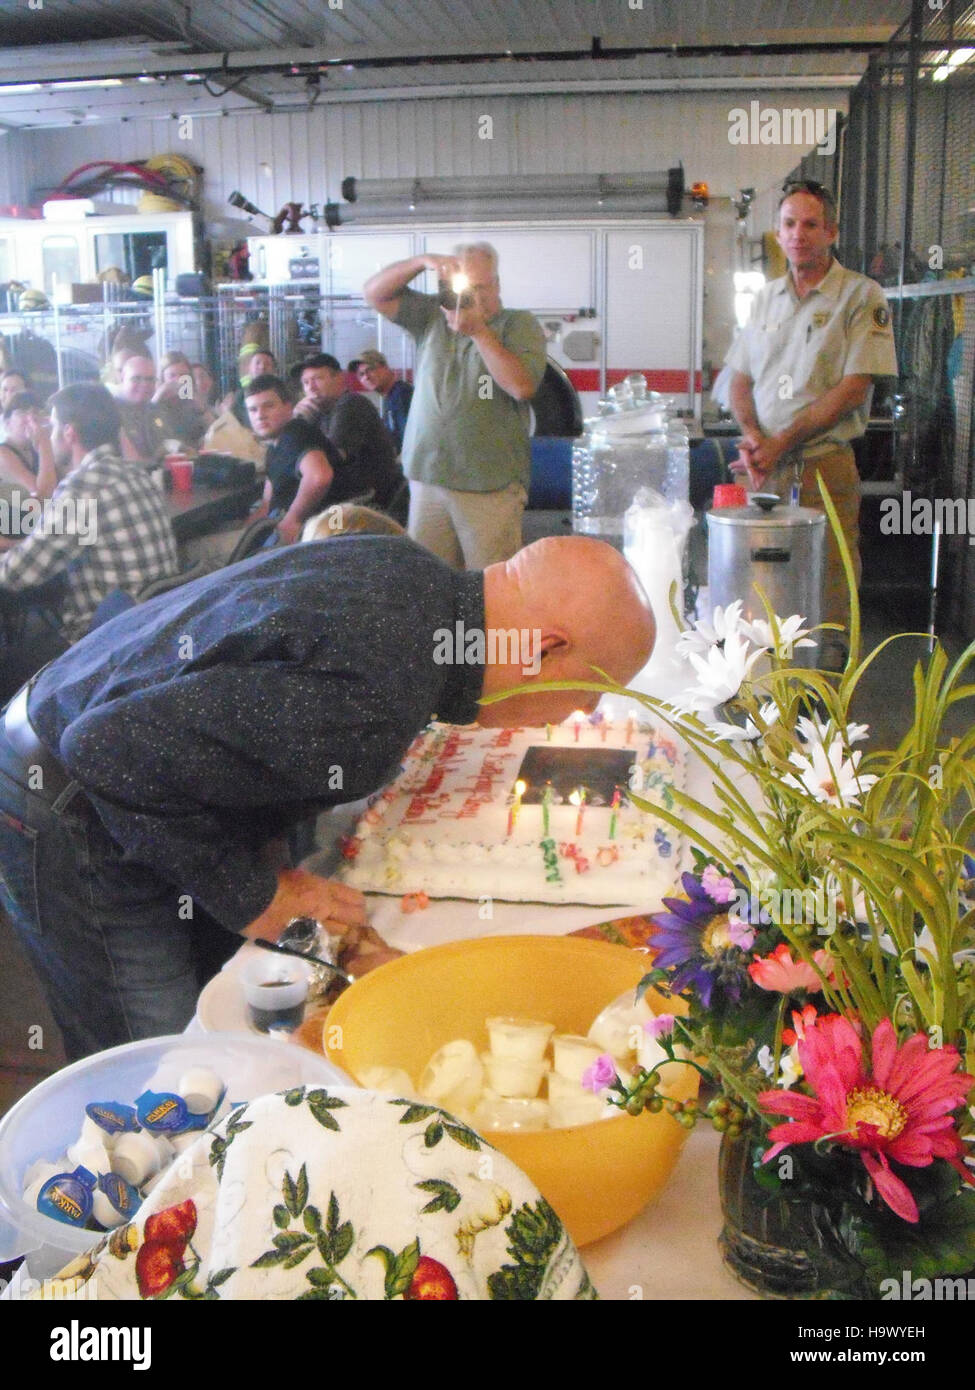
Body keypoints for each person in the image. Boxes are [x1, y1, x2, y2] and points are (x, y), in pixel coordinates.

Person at [0, 532, 655, 1060]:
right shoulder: (376, 695)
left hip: (97, 735)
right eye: (591, 690)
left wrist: (263, 876)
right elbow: (105, 748)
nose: (578, 714)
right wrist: (252, 894)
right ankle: (116, 1214)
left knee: (223, 1007)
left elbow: (234, 729)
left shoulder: (412, 573)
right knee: (169, 1061)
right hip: (64, 795)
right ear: (544, 649)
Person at [725, 182, 898, 667]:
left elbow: (854, 387)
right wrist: (755, 437)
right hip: (761, 469)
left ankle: (825, 705)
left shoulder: (861, 296)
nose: (798, 234)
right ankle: (759, 695)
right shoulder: (764, 300)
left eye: (810, 224)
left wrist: (781, 441)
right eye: (788, 224)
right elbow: (738, 378)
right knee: (755, 585)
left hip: (823, 469)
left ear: (831, 232)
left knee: (828, 588)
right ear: (778, 234)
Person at [364, 243, 547, 570]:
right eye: (464, 286)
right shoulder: (435, 316)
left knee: (489, 585)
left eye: (481, 287)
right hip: (427, 475)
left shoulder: (518, 325)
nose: (472, 296)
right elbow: (375, 293)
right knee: (429, 580)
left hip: (489, 483)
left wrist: (479, 332)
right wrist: (421, 261)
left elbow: (521, 387)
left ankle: (483, 626)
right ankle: (443, 626)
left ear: (497, 284)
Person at [0, 383, 179, 695]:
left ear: (70, 432)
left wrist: (12, 552)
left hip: (104, 642)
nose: (50, 435)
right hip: (154, 627)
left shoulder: (85, 487)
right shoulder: (137, 474)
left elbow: (16, 575)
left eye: (53, 427)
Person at [292, 352, 405, 518]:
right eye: (305, 382)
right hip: (349, 499)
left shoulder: (351, 404)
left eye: (317, 379)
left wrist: (298, 425)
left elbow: (334, 459)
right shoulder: (320, 413)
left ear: (339, 379)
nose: (311, 387)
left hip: (367, 503)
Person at [245, 373, 339, 545]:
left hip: (307, 539)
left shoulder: (296, 433)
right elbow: (267, 503)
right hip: (275, 530)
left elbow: (319, 477)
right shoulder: (274, 447)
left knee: (193, 549)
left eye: (269, 406)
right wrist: (243, 532)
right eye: (253, 409)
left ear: (288, 407)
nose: (260, 415)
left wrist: (293, 519)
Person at [350, 349, 414, 453]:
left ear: (385, 367)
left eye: (370, 370)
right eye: (361, 374)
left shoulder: (401, 394)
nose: (366, 377)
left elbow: (408, 442)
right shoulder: (389, 398)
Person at [0, 391, 59, 499]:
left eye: (36, 411)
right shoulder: (3, 453)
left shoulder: (36, 449)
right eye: (22, 412)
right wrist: (44, 443)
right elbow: (43, 497)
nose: (31, 418)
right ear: (7, 423)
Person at [220, 346, 277, 427]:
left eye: (267, 364)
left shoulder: (280, 393)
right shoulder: (240, 396)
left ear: (274, 370)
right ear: (249, 369)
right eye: (257, 363)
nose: (262, 367)